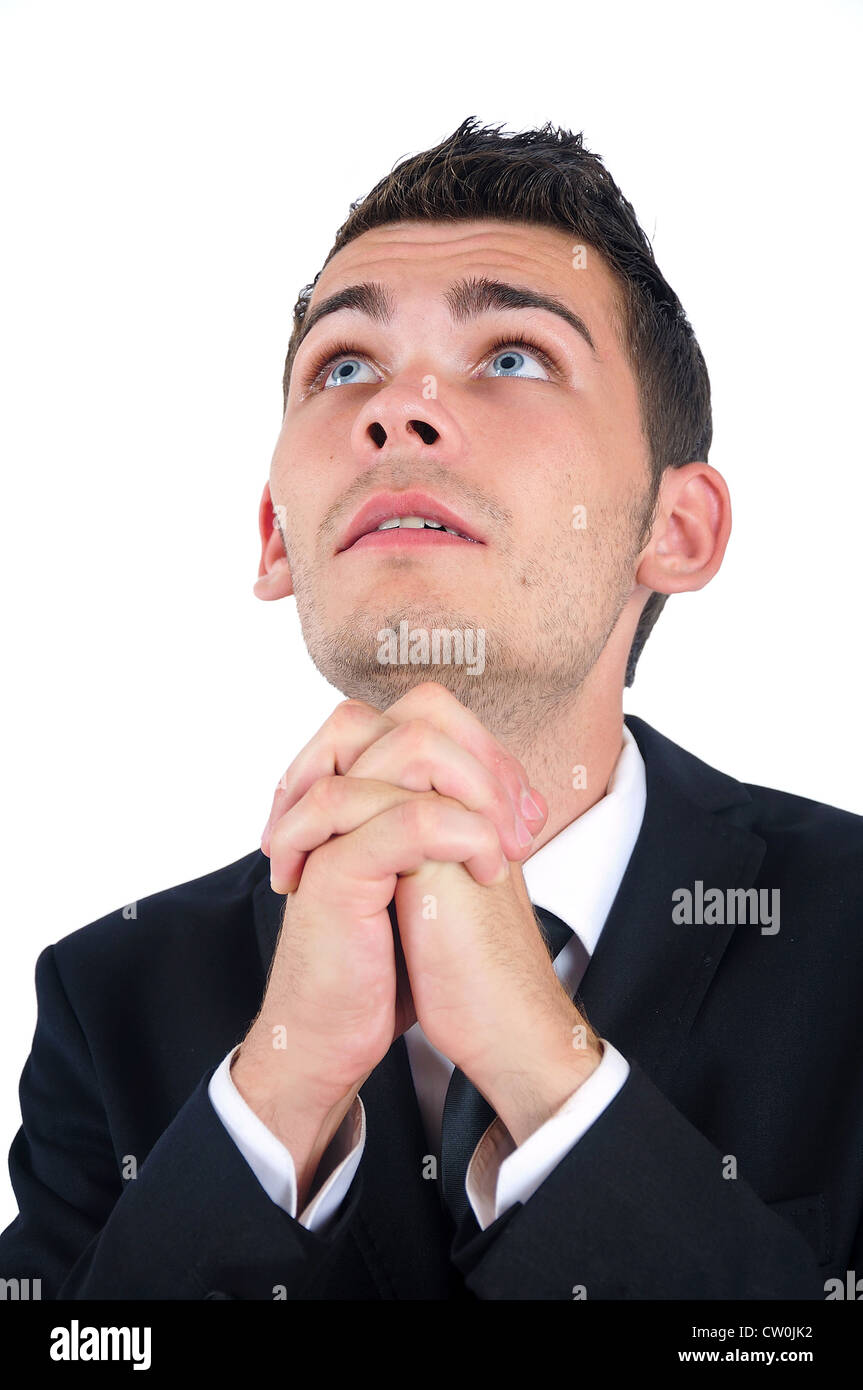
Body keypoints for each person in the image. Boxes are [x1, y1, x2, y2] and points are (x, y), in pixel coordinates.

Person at [1, 116, 860, 1301]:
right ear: (275, 538)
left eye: (512, 355)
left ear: (676, 529)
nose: (393, 412)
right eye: (344, 365)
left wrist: (542, 1065)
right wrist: (274, 1100)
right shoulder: (109, 1002)